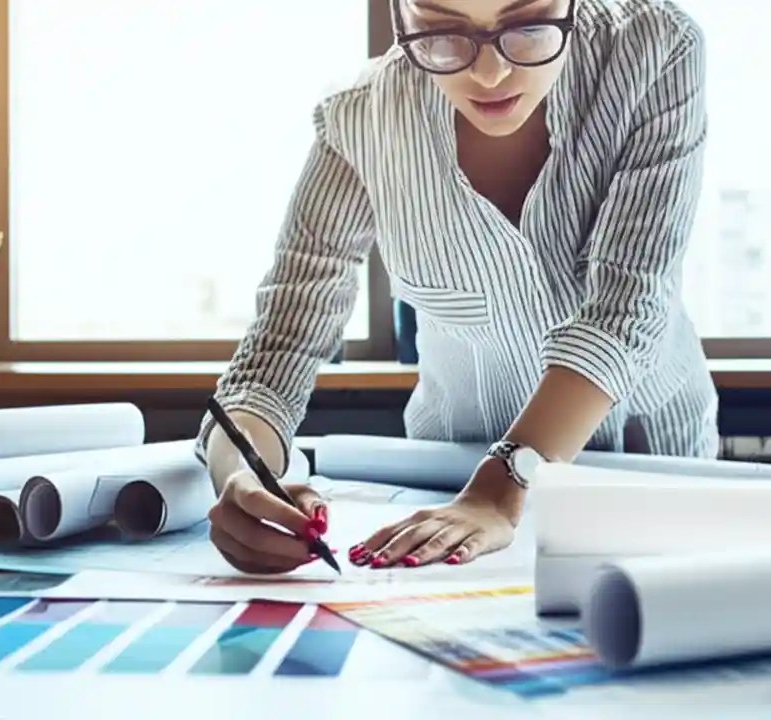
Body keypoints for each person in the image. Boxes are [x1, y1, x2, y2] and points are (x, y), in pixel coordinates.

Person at [197, 0, 718, 574]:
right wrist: (243, 478)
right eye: (441, 31)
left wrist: (501, 487)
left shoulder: (656, 49)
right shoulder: (359, 119)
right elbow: (277, 352)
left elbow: (626, 309)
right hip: (446, 493)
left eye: (529, 25)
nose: (490, 74)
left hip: (648, 477)